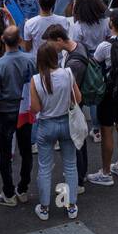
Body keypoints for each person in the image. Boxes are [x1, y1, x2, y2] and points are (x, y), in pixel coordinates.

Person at [30, 41, 81, 221]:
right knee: (70, 165)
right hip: (67, 123)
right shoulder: (67, 74)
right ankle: (71, 205)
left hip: (46, 125)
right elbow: (78, 98)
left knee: (44, 167)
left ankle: (44, 208)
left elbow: (35, 108)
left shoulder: (36, 80)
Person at [87, 8, 118, 188]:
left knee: (107, 129)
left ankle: (106, 172)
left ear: (111, 23)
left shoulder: (104, 46)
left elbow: (95, 64)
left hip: (109, 92)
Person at [0, 25, 35, 207]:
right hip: (24, 109)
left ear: (2, 39)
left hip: (5, 111)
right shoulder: (30, 60)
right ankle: (23, 188)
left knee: (5, 153)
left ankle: (8, 192)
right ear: (20, 40)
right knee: (26, 151)